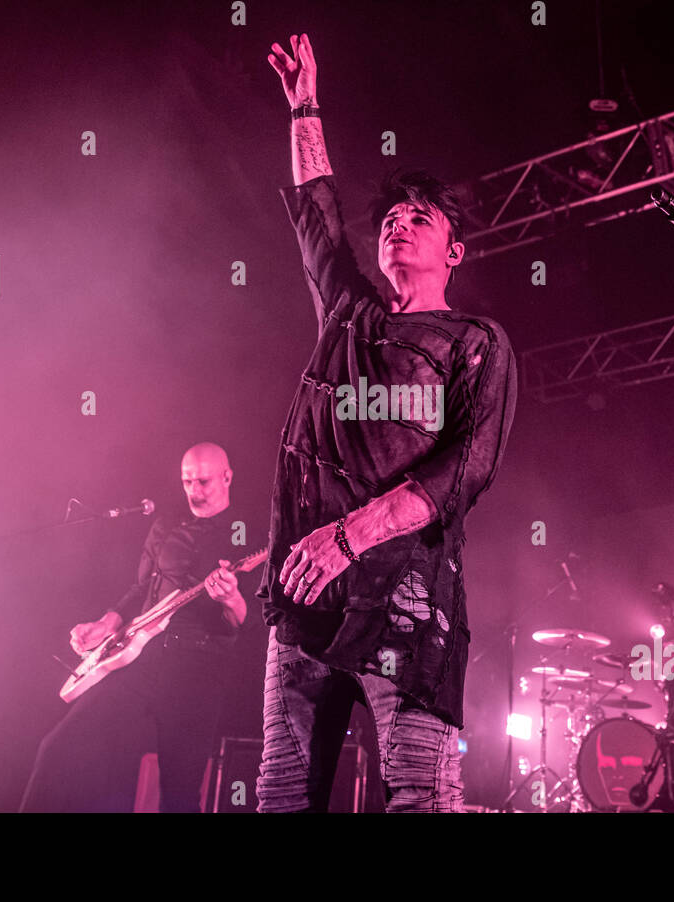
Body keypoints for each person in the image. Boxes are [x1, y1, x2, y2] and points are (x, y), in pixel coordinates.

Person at [255, 33, 517, 811]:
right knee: (281, 790)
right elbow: (318, 216)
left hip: (406, 603)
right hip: (304, 594)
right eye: (393, 216)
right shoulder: (349, 314)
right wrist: (304, 105)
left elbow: (462, 471)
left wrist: (351, 537)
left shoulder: (476, 343)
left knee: (419, 796)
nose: (399, 223)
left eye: (421, 216)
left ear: (456, 250)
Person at [19, 442, 248, 812]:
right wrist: (105, 623)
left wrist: (230, 598)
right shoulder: (167, 523)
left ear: (227, 477)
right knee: (58, 747)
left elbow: (243, 619)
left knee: (180, 792)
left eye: (203, 482)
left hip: (198, 668)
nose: (194, 491)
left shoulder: (244, 530)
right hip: (140, 657)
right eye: (187, 481)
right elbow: (141, 589)